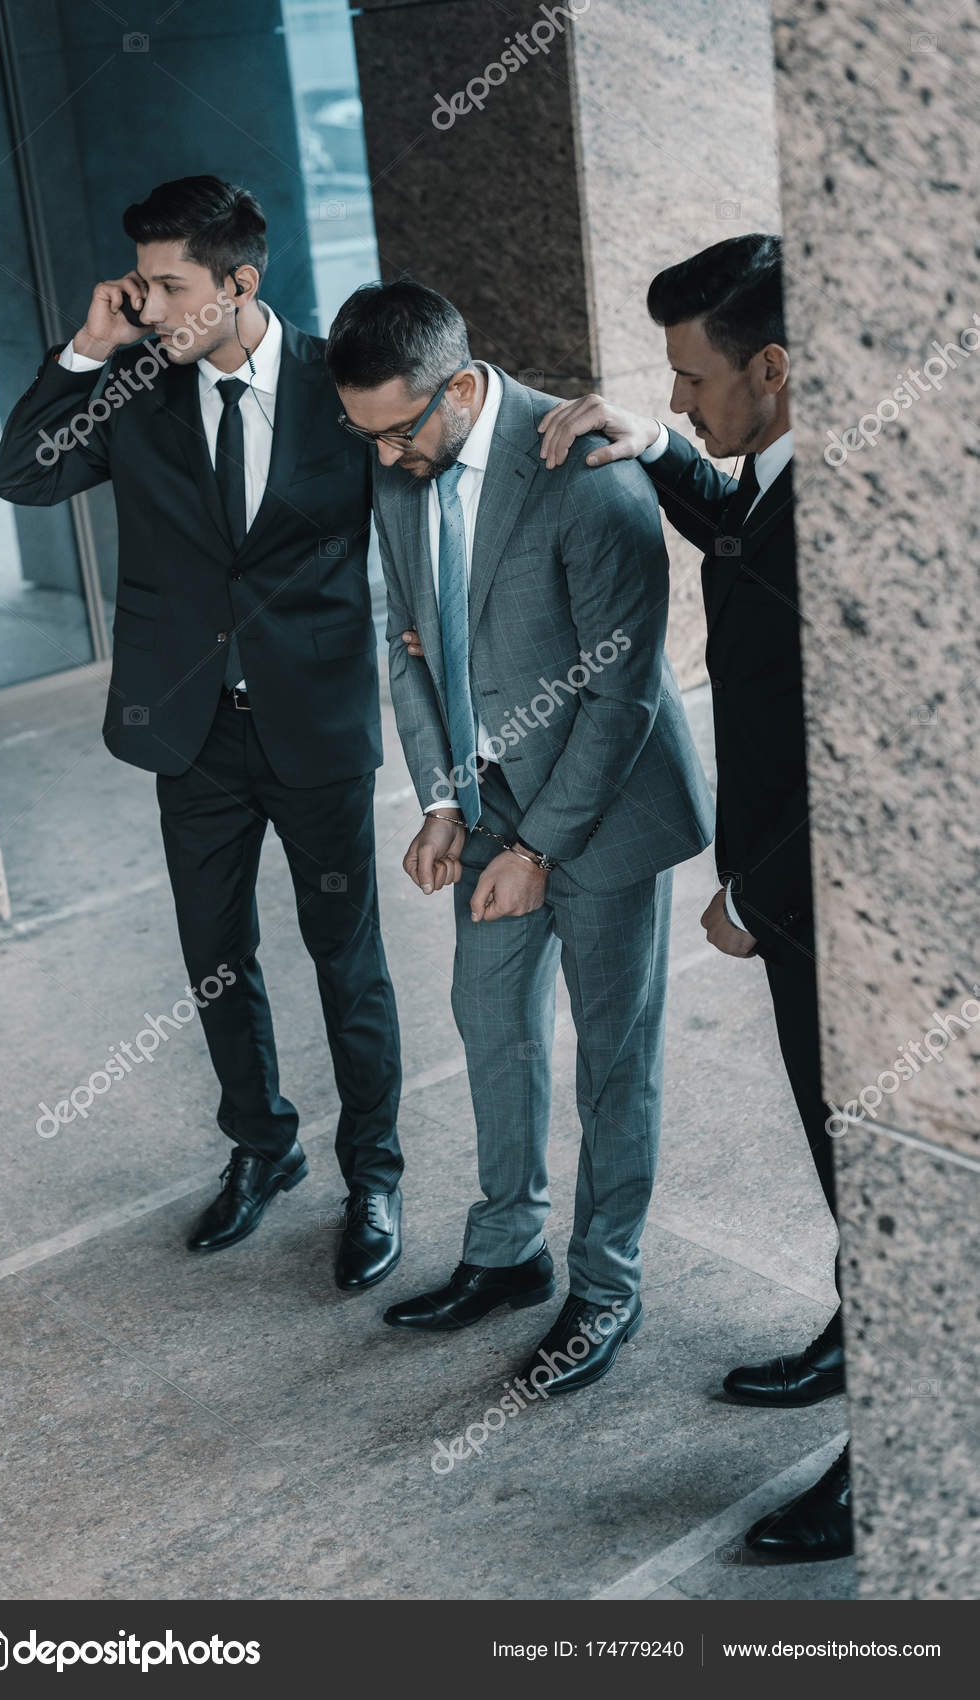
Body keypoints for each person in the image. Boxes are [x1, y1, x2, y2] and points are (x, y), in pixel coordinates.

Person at [0, 176, 403, 1291]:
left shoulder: (337, 387)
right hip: (191, 734)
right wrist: (87, 342)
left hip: (315, 728)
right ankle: (264, 1147)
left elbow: (423, 506)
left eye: (171, 285)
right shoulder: (130, 387)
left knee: (345, 959)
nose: (150, 301)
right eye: (143, 280)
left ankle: (375, 1173)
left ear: (239, 283)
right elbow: (19, 474)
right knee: (215, 959)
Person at [325, 279, 714, 1394]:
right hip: (487, 801)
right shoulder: (395, 451)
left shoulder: (584, 473)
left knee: (612, 1056)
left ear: (459, 385)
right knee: (491, 1025)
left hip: (602, 808)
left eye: (400, 429)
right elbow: (408, 647)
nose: (386, 457)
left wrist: (537, 847)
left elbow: (623, 696)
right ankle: (507, 1253)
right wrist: (445, 803)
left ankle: (606, 1285)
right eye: (367, 435)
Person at [536, 234, 850, 1559]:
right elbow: (733, 519)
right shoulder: (778, 470)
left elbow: (872, 745)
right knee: (851, 1162)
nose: (682, 404)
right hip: (801, 905)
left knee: (875, 1155)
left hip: (844, 910)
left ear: (774, 368)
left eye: (694, 383)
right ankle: (865, 1320)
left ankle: (893, 1447)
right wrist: (655, 450)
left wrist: (757, 887)